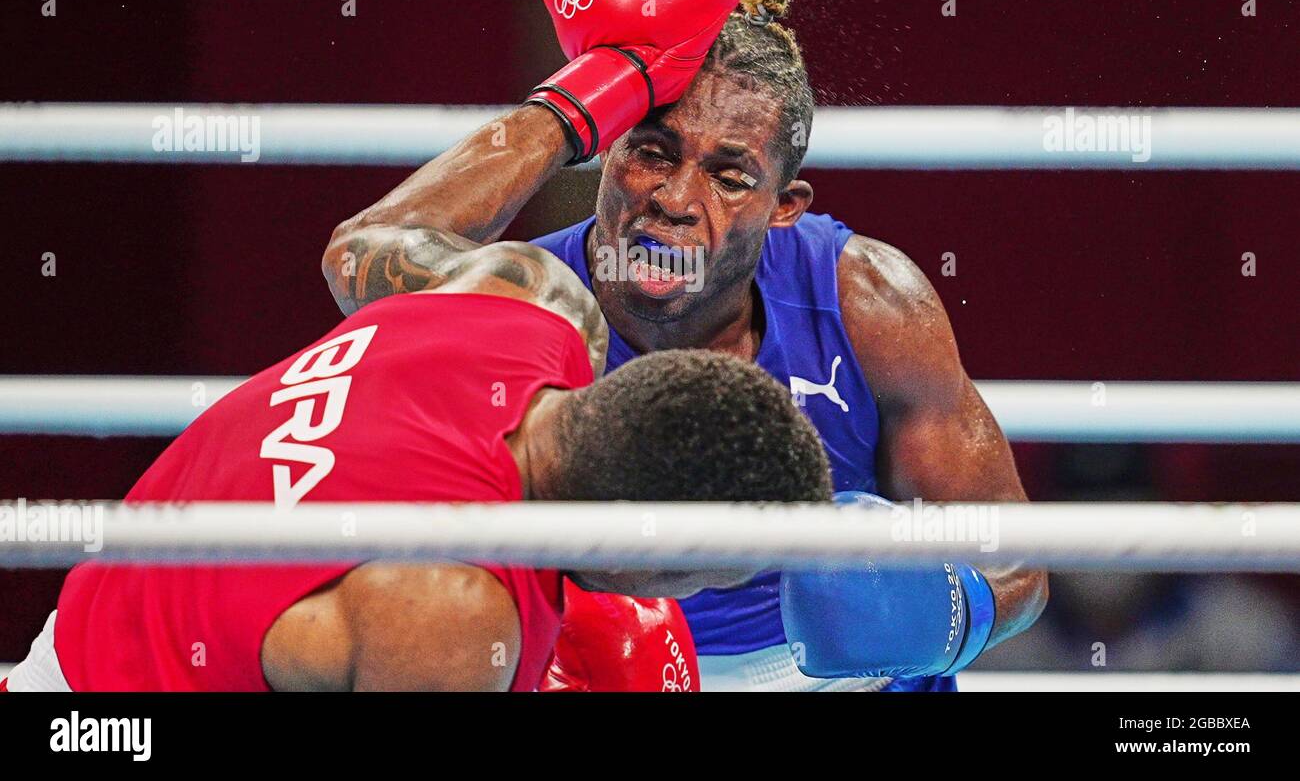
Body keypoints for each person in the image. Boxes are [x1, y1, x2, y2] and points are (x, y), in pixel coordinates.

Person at [323, 0, 1047, 691]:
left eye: (729, 175)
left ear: (784, 205)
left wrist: (946, 614)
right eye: (652, 152)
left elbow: (1015, 562)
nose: (674, 197)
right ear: (602, 154)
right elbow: (366, 261)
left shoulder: (866, 300)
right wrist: (577, 103)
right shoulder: (519, 311)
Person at [2, 226, 831, 691]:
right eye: (707, 578)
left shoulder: (530, 298)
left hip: (105, 627)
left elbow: (358, 245)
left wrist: (591, 95)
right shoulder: (451, 613)